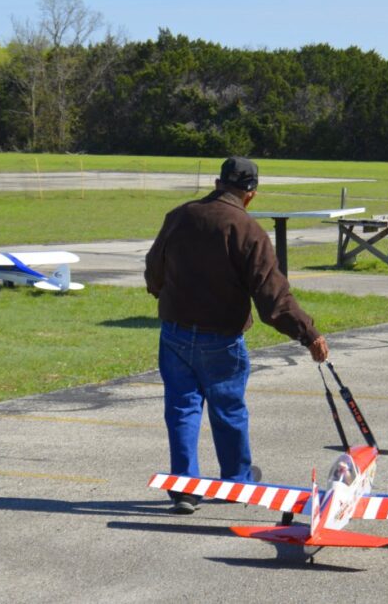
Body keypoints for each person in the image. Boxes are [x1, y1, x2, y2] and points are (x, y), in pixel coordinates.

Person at [144, 156, 329, 514]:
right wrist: (309, 334)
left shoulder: (180, 216)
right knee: (228, 408)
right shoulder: (248, 230)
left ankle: (184, 488)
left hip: (175, 333)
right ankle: (236, 483)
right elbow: (273, 299)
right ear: (251, 194)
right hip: (222, 338)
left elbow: (154, 270)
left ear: (217, 182)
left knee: (182, 408)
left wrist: (163, 295)